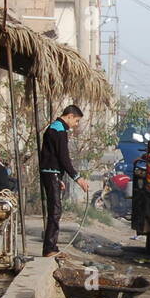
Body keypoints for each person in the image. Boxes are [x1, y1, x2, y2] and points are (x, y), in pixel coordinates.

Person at [38, 105, 89, 257]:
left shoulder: (56, 128)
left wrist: (59, 178)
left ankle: (52, 246)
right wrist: (77, 178)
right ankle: (49, 248)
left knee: (56, 210)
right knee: (55, 211)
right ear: (70, 116)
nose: (76, 124)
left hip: (52, 173)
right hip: (50, 172)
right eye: (77, 120)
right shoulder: (59, 130)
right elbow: (63, 158)